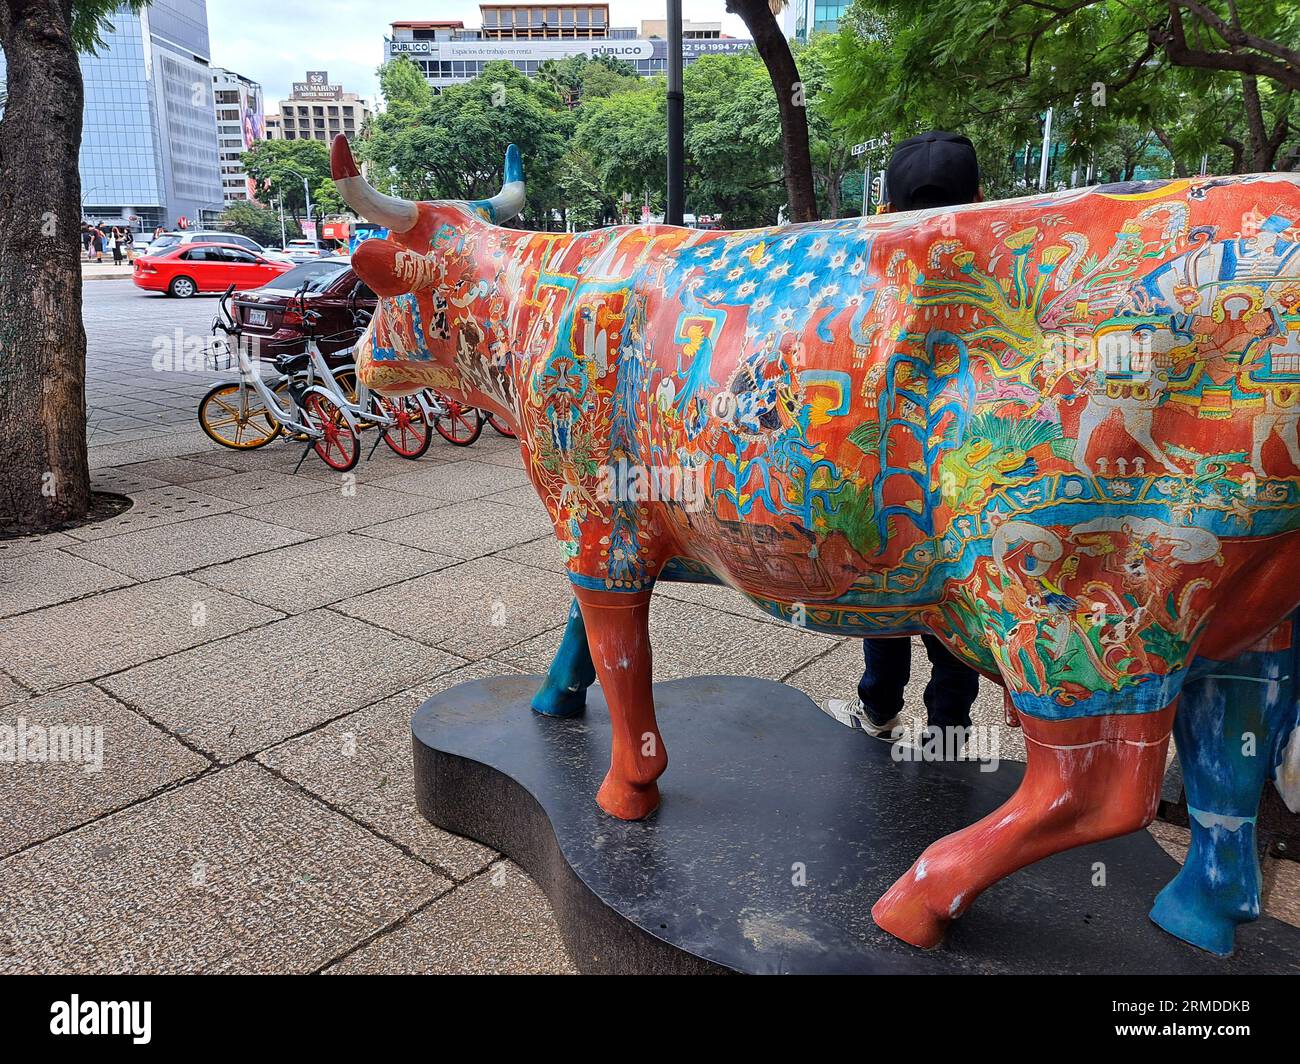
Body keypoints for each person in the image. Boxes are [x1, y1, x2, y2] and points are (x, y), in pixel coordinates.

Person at [851, 131, 983, 741]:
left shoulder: (875, 274)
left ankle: (879, 709)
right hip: (971, 468)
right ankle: (948, 727)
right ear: (981, 197)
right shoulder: (995, 266)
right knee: (958, 597)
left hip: (891, 464)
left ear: (888, 210)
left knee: (889, 589)